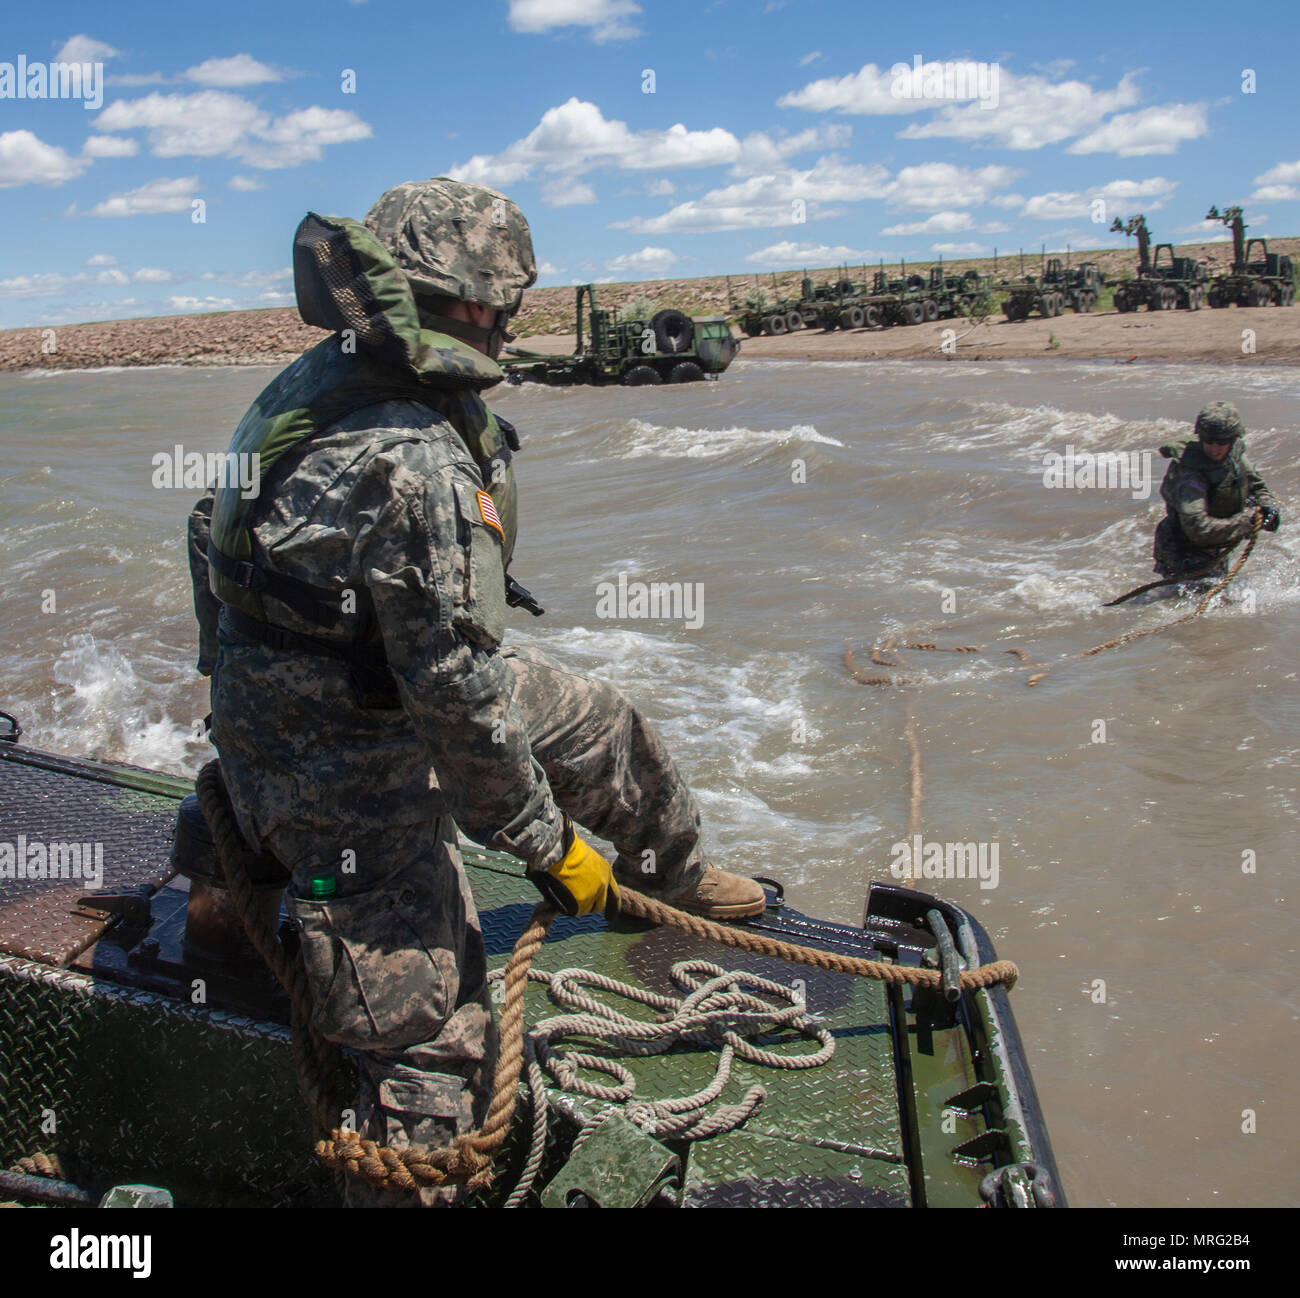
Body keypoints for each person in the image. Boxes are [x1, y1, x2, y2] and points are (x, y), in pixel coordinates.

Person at [187, 178, 765, 1206]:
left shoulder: (325, 377)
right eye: (502, 298)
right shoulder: (407, 456)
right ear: (466, 303)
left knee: (602, 726)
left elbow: (206, 536)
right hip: (339, 751)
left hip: (333, 687)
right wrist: (552, 847)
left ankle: (673, 874)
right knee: (430, 1063)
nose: (511, 318)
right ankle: (260, 900)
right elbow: (457, 705)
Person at [1152, 401, 1280, 580]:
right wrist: (1247, 522)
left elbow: (1257, 487)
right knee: (1196, 601)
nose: (1214, 448)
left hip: (1215, 545)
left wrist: (1268, 508)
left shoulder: (1234, 458)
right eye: (1208, 440)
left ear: (1234, 438)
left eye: (1222, 441)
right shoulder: (1190, 475)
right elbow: (1198, 529)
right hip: (1184, 552)